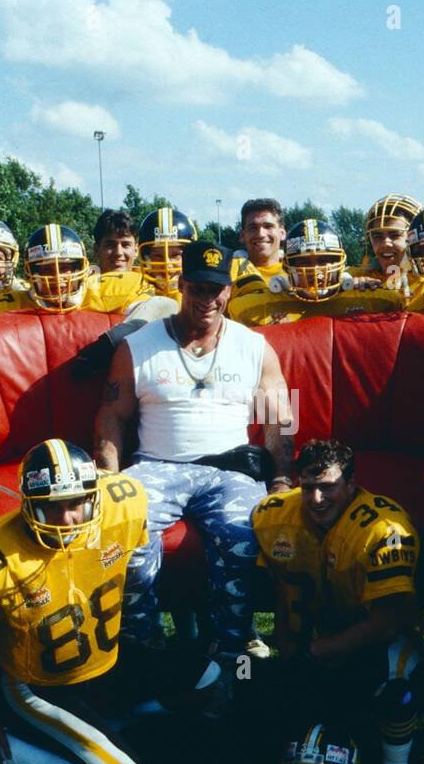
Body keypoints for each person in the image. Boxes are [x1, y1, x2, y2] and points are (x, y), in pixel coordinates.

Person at [0, 440, 224, 764]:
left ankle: (109, 725)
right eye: (52, 506)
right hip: (41, 686)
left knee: (211, 680)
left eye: (75, 503)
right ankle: (15, 756)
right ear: (27, 505)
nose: (67, 519)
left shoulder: (124, 504)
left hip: (105, 659)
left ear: (92, 497)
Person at [94, 241, 294, 659]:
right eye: (198, 287)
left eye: (216, 289)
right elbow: (112, 414)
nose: (207, 298)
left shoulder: (254, 346)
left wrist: (279, 480)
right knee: (127, 525)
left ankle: (230, 655)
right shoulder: (138, 345)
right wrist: (109, 477)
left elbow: (279, 419)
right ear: (181, 285)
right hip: (157, 467)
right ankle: (142, 650)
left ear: (230, 291)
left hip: (230, 468)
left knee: (242, 537)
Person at [253, 439, 424, 764]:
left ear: (351, 483)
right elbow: (284, 593)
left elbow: (386, 624)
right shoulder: (274, 515)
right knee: (268, 698)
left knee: (396, 684)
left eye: (327, 486)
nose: (315, 498)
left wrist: (317, 653)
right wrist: (290, 653)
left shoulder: (385, 528)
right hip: (318, 640)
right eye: (307, 486)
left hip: (381, 641)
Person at [227, 219, 406, 326]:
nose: (316, 271)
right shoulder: (251, 308)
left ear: (340, 262)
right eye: (304, 261)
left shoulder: (380, 301)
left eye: (324, 260)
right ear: (287, 266)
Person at [22, 223, 158, 314]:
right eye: (47, 269)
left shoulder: (103, 289)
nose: (58, 277)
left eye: (64, 268)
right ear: (31, 273)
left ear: (80, 268)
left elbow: (162, 307)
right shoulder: (14, 302)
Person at [135, 206, 198, 300]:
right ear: (146, 258)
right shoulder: (133, 288)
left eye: (176, 255)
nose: (167, 265)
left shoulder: (205, 293)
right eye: (158, 255)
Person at [229, 198, 287, 295]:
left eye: (268, 226)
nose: (260, 234)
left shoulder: (299, 270)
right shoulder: (229, 272)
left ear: (282, 233)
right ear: (242, 236)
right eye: (253, 228)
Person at [94, 209, 140, 274]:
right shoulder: (84, 283)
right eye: (110, 245)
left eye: (125, 245)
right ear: (96, 250)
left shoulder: (149, 282)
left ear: (136, 250)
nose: (119, 253)